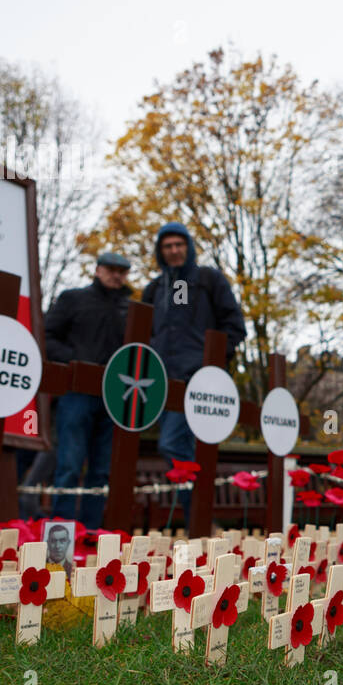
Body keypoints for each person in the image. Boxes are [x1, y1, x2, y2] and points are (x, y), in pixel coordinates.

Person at [141, 222, 247, 524]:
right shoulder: (156, 288)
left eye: (179, 244)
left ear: (188, 246)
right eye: (167, 246)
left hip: (197, 381)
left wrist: (211, 365)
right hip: (162, 382)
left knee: (171, 444)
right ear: (160, 252)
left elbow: (234, 326)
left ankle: (199, 517)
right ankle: (197, 521)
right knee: (184, 447)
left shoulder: (207, 280)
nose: (174, 251)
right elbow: (145, 331)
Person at [43, 251, 132, 529]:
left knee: (101, 470)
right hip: (76, 393)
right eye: (110, 268)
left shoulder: (131, 310)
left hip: (114, 399)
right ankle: (62, 534)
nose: (116, 274)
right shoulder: (74, 299)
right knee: (69, 463)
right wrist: (75, 362)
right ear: (97, 270)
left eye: (122, 270)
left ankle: (92, 533)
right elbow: (46, 336)